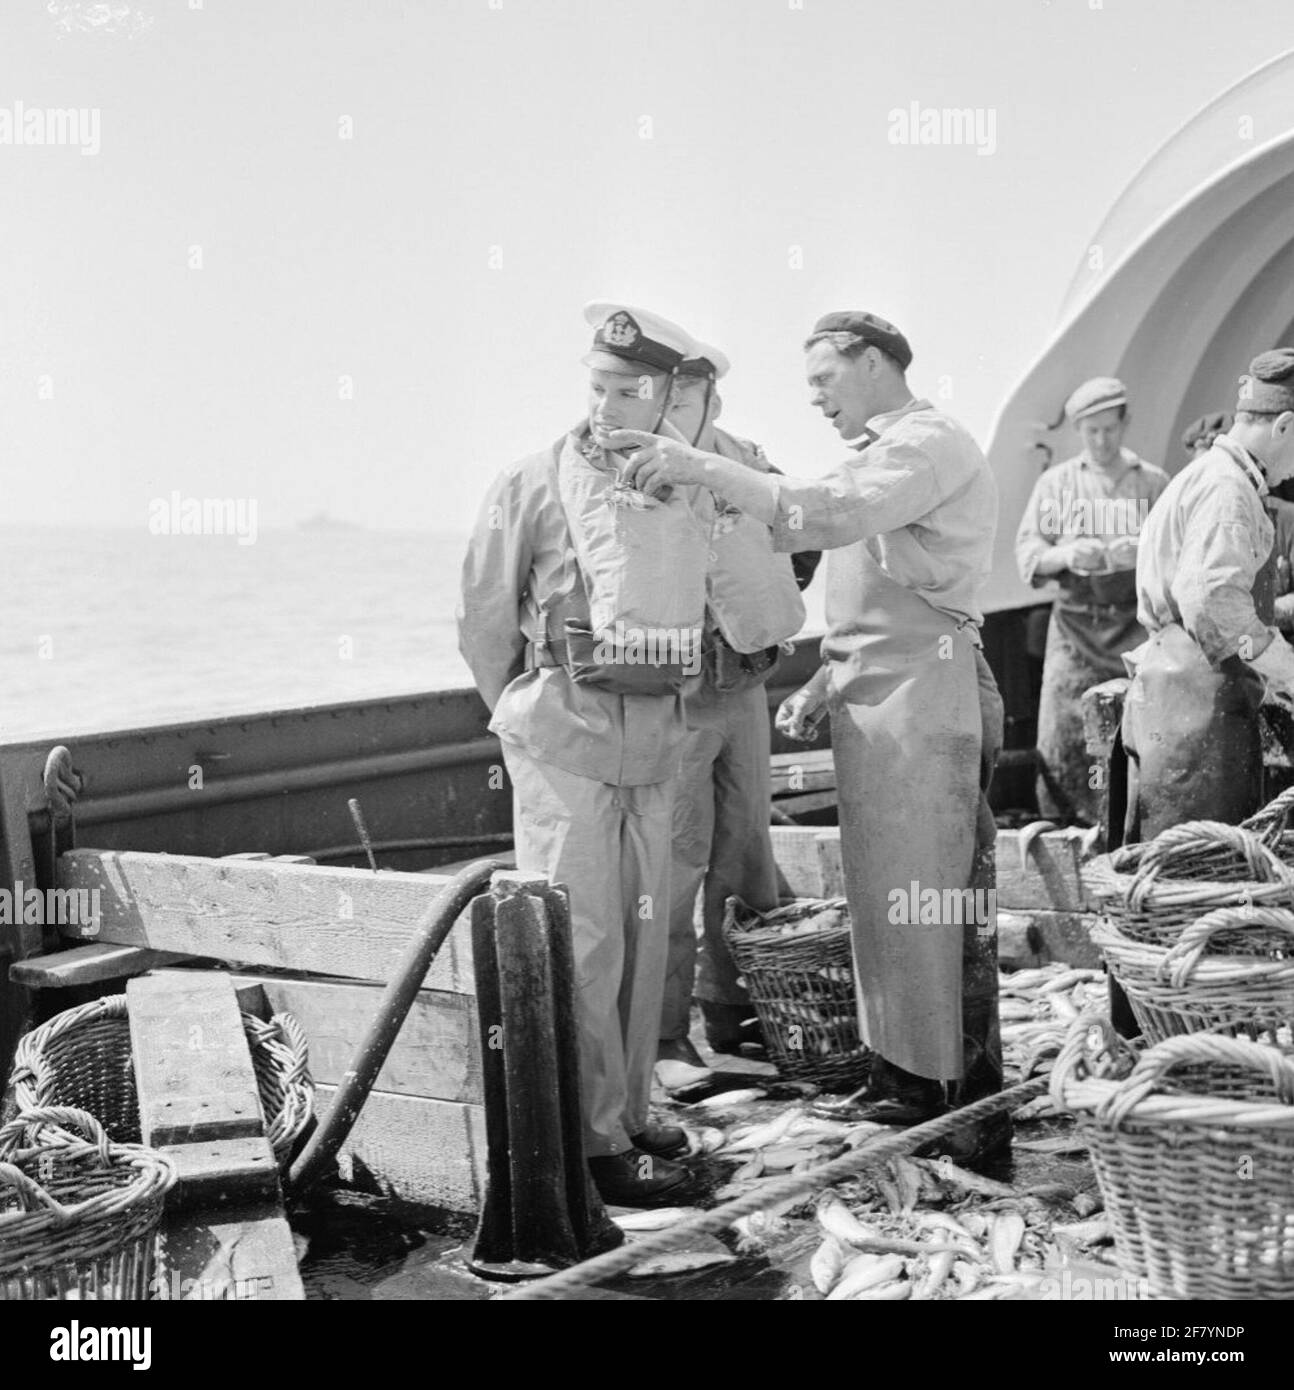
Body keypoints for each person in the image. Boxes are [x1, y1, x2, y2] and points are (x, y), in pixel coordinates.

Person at [612, 310, 1007, 1160]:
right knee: (886, 897)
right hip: (882, 693)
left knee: (929, 896)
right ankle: (905, 1071)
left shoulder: (924, 443)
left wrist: (694, 465)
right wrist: (828, 680)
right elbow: (884, 578)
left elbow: (822, 516)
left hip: (925, 696)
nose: (816, 399)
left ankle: (947, 1088)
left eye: (823, 378)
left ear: (871, 361)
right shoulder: (882, 452)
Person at [457, 302, 719, 1206]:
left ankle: (631, 1109)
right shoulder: (530, 480)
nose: (609, 405)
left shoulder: (682, 486)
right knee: (588, 938)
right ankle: (596, 1142)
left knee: (649, 939)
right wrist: (527, 715)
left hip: (655, 740)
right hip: (561, 736)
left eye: (629, 390)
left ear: (669, 398)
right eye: (598, 387)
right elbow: (484, 621)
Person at [655, 344, 812, 1080]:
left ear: (712, 404)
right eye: (668, 400)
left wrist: (759, 619)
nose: (677, 414)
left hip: (742, 679)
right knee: (674, 859)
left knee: (747, 847)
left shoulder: (746, 460)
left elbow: (800, 536)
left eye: (690, 401)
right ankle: (662, 1034)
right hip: (672, 694)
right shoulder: (635, 466)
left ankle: (735, 1008)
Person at [1123, 349, 1294, 840]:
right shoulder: (1227, 490)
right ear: (1282, 426)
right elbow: (1213, 603)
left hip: (1186, 692)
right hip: (1195, 701)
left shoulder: (1215, 477)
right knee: (1198, 861)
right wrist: (1287, 671)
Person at [1015, 378, 1168, 826]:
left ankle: (1133, 827)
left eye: (1109, 429)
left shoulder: (1153, 481)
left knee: (1139, 726)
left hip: (1135, 630)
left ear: (1126, 424)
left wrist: (1139, 552)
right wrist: (1065, 554)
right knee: (1064, 729)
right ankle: (1066, 825)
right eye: (1091, 432)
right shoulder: (1055, 484)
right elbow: (1029, 553)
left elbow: (1176, 555)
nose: (1101, 441)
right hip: (1074, 630)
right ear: (1078, 431)